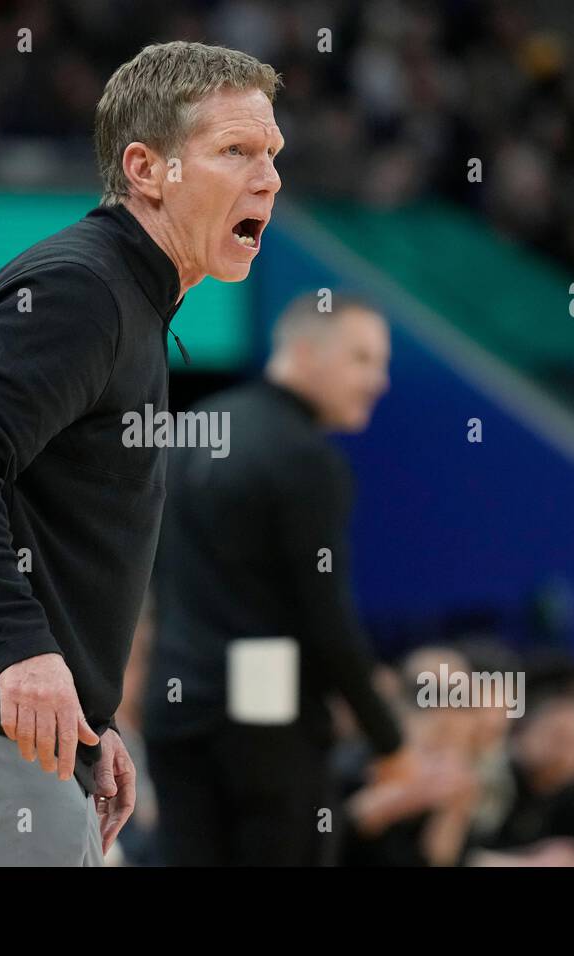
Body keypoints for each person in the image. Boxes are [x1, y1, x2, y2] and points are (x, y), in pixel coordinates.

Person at [0, 40, 284, 866]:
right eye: (235, 151)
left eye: (272, 155)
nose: (268, 179)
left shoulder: (128, 300)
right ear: (147, 169)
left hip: (4, 725)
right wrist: (23, 652)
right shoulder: (83, 292)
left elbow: (47, 524)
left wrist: (91, 716)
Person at [142, 291, 408, 866]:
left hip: (174, 711)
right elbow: (326, 617)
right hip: (264, 728)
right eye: (363, 359)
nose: (380, 381)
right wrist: (387, 737)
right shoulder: (306, 459)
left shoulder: (194, 430)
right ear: (306, 353)